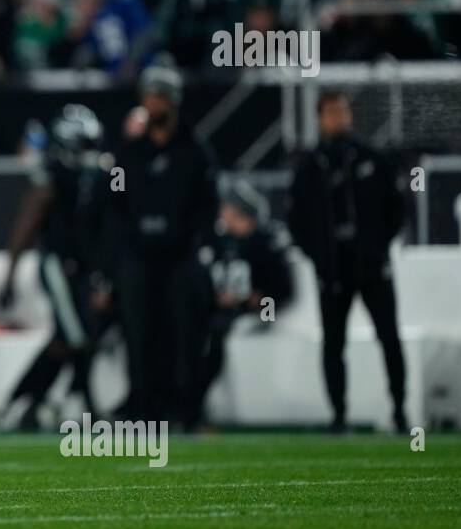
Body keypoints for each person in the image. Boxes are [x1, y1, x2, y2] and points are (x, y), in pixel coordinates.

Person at [288, 90, 406, 431]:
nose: (338, 118)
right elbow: (297, 221)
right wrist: (319, 257)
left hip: (371, 265)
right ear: (319, 118)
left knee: (389, 336)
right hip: (332, 269)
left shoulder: (372, 158)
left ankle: (399, 409)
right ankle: (338, 415)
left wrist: (377, 247)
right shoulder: (310, 167)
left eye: (342, 111)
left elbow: (396, 208)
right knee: (334, 342)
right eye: (331, 113)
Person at [112, 66, 218, 421]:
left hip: (180, 255)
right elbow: (115, 206)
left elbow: (207, 207)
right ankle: (142, 406)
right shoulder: (129, 154)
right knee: (139, 333)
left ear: (172, 101)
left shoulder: (196, 152)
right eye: (148, 96)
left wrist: (195, 243)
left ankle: (184, 407)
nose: (151, 103)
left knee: (184, 331)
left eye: (157, 96)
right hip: (139, 257)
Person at [0, 104, 116, 426]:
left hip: (83, 268)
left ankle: (26, 401)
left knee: (68, 339)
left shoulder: (98, 180)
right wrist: (10, 274)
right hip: (58, 265)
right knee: (78, 336)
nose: (90, 154)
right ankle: (80, 403)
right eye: (84, 146)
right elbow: (27, 224)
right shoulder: (52, 175)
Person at [191, 181, 294, 429]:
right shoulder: (217, 243)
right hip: (220, 313)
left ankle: (193, 405)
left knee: (216, 335)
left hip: (255, 313)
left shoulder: (263, 245)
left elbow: (281, 293)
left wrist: (255, 301)